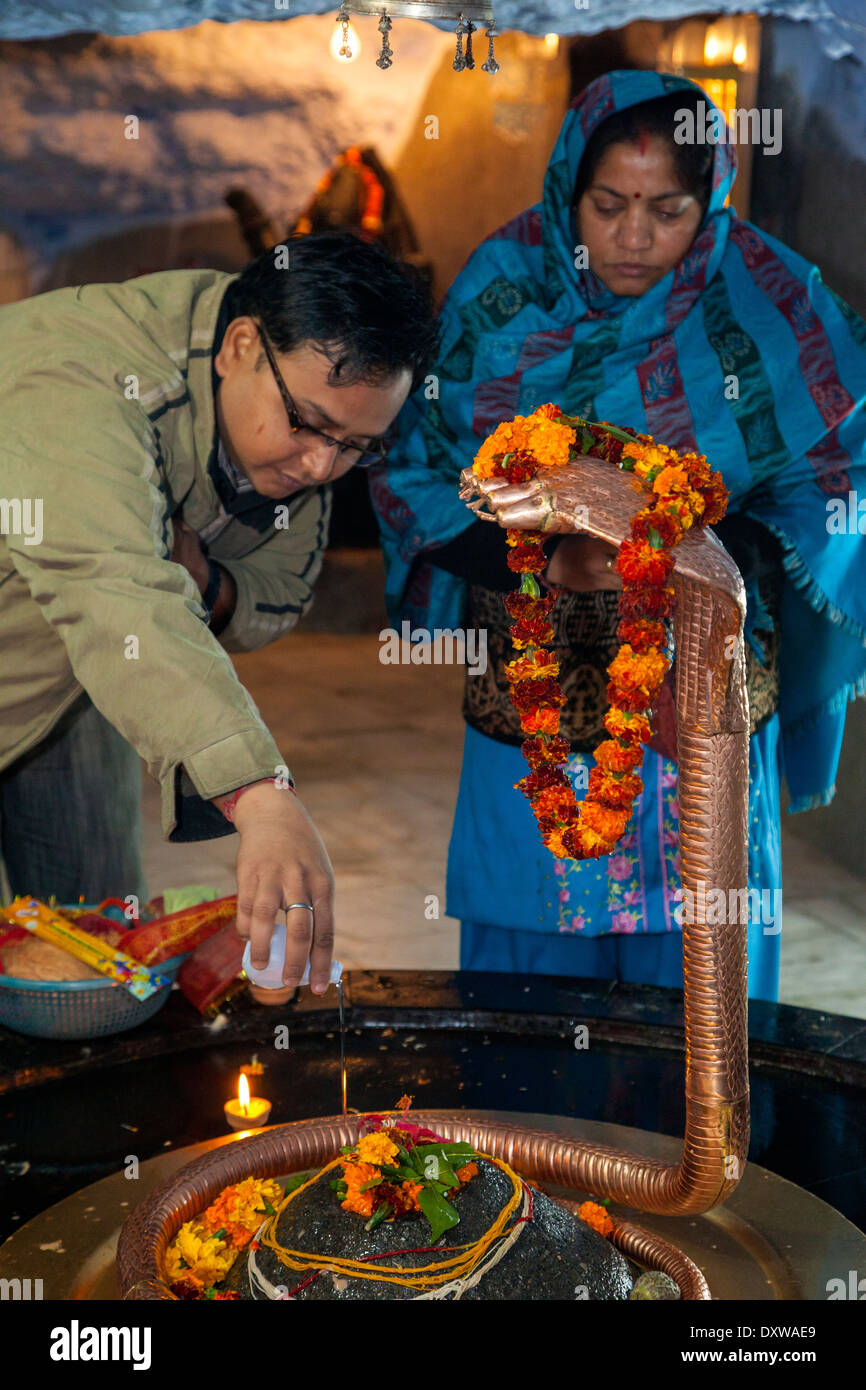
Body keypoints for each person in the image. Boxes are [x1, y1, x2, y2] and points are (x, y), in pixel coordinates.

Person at [370, 71, 866, 1002]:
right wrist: (546, 552)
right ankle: (541, 1145)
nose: (634, 238)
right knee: (534, 991)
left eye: (668, 209)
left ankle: (705, 1147)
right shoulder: (502, 291)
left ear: (711, 199)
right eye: (607, 205)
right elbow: (408, 463)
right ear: (569, 192)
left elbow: (844, 472)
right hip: (538, 690)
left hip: (701, 688)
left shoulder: (769, 301)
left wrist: (699, 554)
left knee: (699, 975)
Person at [0, 232, 438, 992]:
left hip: (68, 682)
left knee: (94, 963)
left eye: (354, 447)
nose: (318, 468)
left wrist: (206, 583)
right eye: (307, 425)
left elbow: (273, 596)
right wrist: (257, 791)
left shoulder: (292, 408)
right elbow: (117, 590)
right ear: (239, 345)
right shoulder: (83, 376)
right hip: (84, 628)